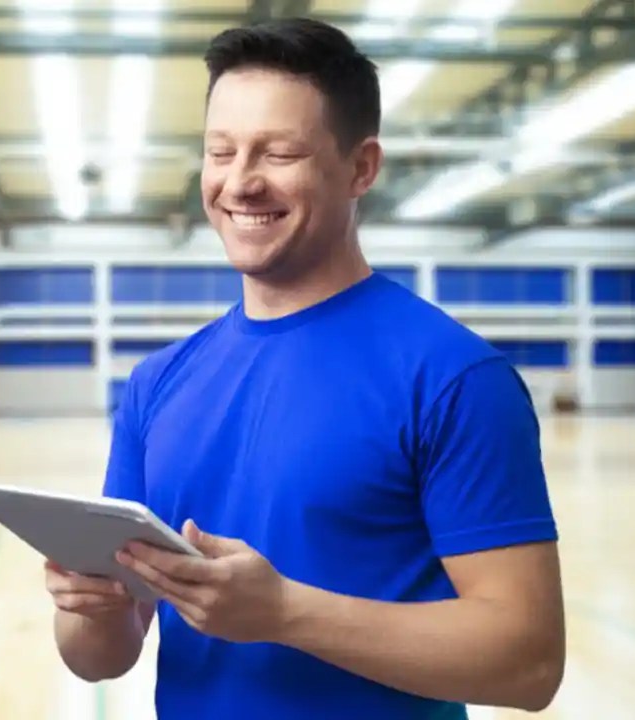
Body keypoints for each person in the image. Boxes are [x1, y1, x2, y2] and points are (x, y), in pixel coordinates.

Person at [44, 16, 565, 720]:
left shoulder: (453, 378)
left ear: (361, 168)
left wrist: (285, 612)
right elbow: (101, 657)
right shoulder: (157, 384)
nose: (240, 182)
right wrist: (92, 608)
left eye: (279, 153)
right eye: (220, 152)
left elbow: (529, 664)